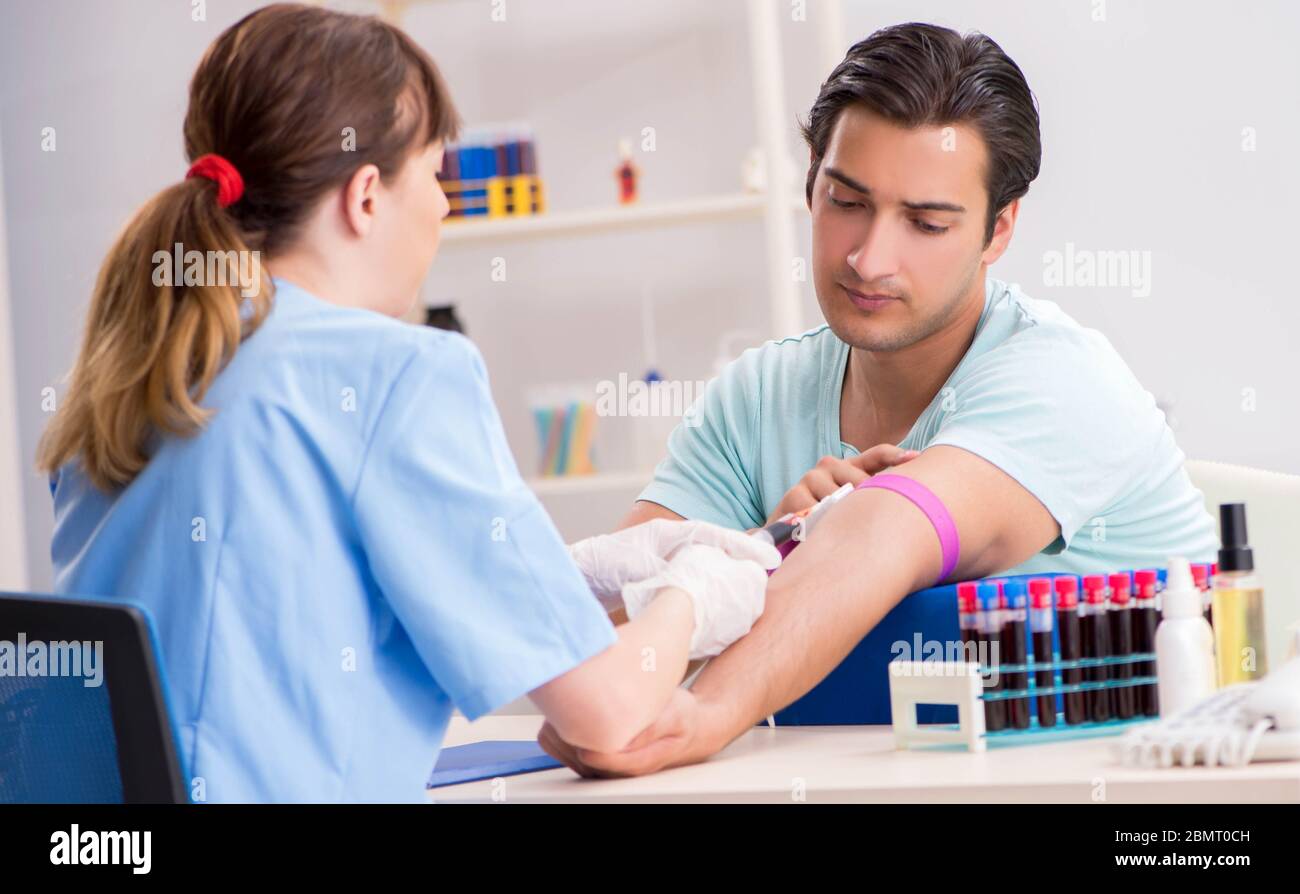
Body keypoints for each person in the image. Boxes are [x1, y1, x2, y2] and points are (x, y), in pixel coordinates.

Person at [36, 3, 777, 803]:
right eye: (433, 172)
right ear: (365, 197)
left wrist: (568, 578)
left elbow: (279, 604)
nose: (444, 206)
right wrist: (696, 594)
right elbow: (607, 712)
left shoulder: (136, 377)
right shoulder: (398, 374)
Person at [540, 22, 1218, 777]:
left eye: (926, 223)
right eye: (847, 201)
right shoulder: (758, 396)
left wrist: (700, 713)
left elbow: (882, 531)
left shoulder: (1063, 381)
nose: (868, 259)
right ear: (810, 182)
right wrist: (766, 549)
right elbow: (594, 614)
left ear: (999, 230)